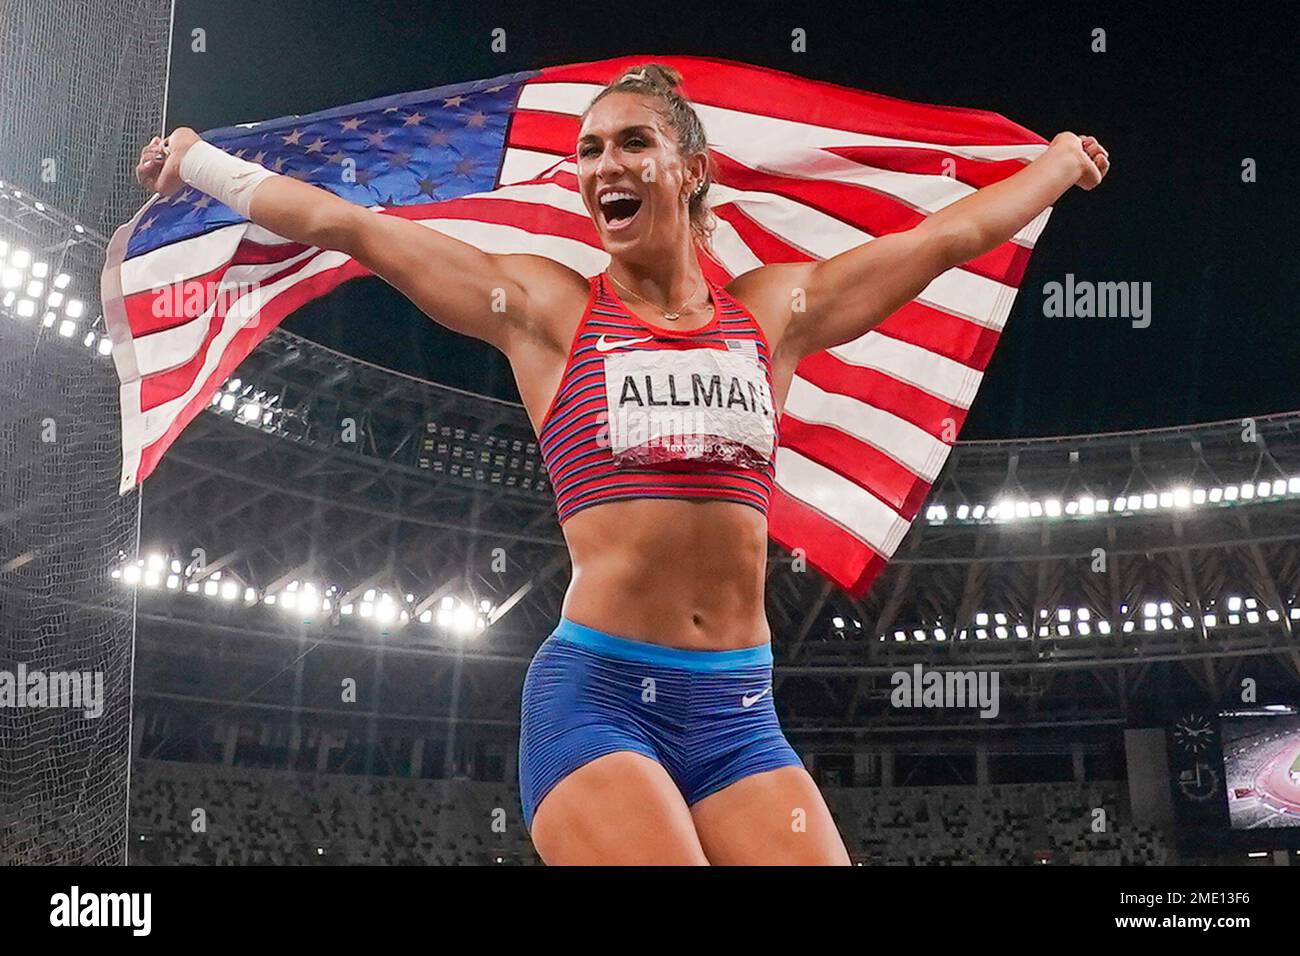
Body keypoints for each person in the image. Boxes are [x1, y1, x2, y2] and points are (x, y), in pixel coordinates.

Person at [137, 63, 1108, 865]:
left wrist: (1058, 166)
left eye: (632, 142)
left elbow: (947, 237)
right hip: (600, 698)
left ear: (690, 168)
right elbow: (351, 225)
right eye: (589, 148)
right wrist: (201, 162)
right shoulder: (548, 311)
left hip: (738, 710)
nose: (604, 162)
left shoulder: (775, 312)